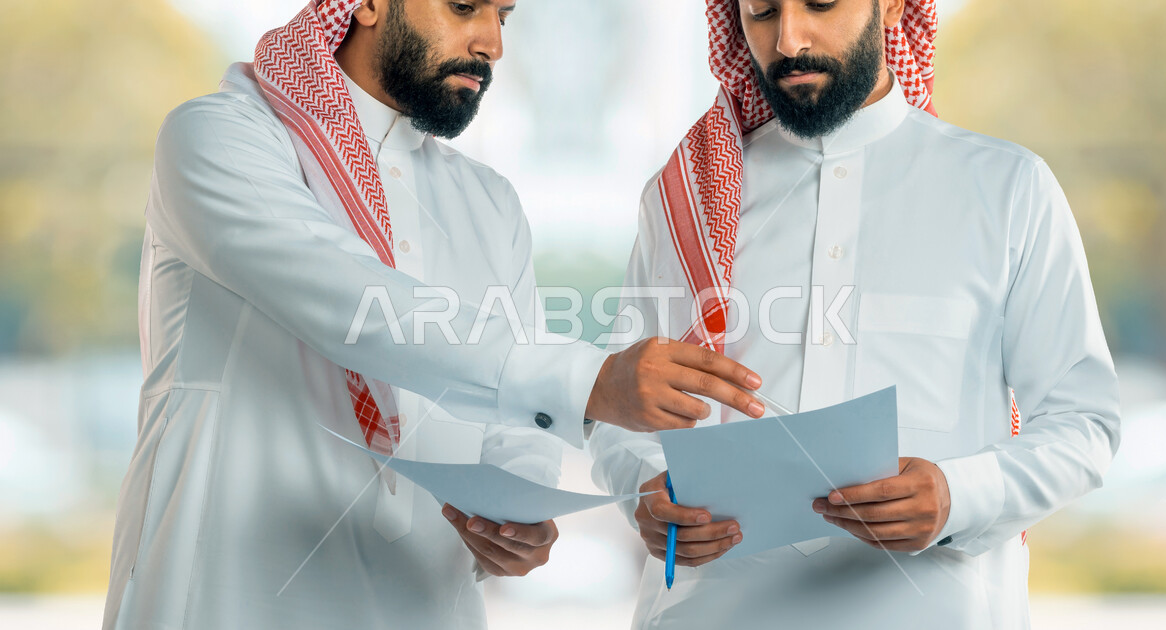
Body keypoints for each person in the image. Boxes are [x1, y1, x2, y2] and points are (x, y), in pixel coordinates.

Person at [102, 1, 767, 628]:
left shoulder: (486, 201)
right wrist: (590, 380)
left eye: (503, 15)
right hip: (226, 597)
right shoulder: (219, 139)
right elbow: (357, 306)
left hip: (423, 605)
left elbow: (516, 429)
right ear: (365, 4)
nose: (493, 43)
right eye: (463, 7)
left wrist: (514, 520)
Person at [589, 0, 1121, 627]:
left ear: (894, 6)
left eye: (820, 4)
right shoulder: (688, 201)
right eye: (761, 13)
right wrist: (648, 496)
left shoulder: (1006, 189)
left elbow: (1084, 423)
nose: (789, 39)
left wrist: (957, 497)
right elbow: (619, 411)